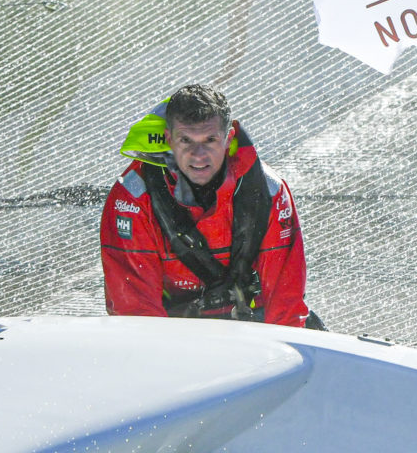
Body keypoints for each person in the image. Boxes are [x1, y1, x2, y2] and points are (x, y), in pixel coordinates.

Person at [102, 83, 314, 327]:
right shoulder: (133, 198)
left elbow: (285, 303)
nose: (199, 155)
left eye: (210, 140)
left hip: (254, 330)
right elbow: (136, 313)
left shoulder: (268, 191)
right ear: (169, 139)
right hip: (171, 333)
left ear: (228, 138)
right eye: (186, 140)